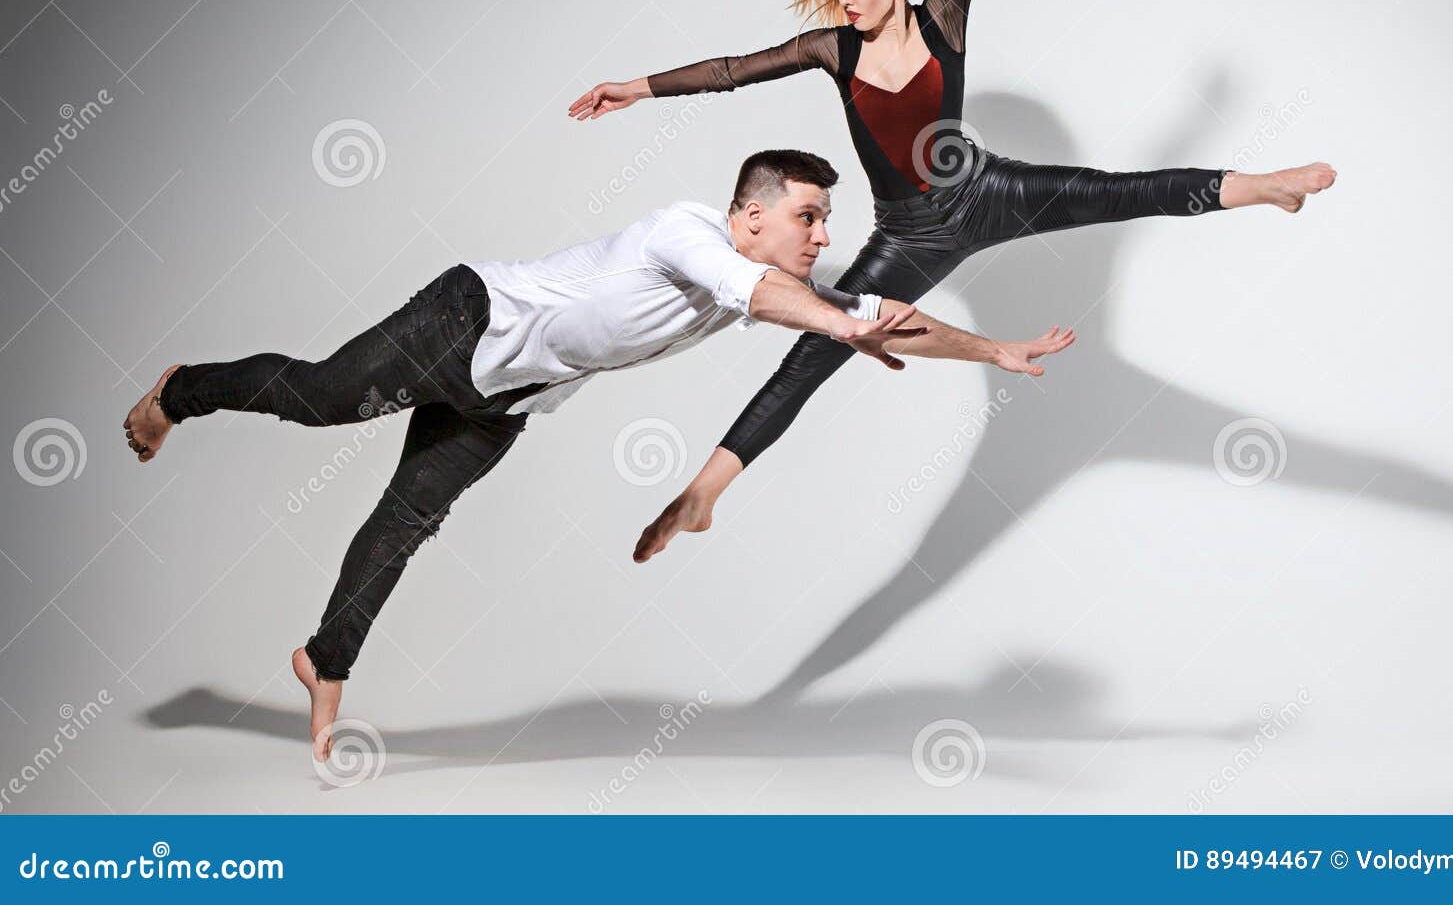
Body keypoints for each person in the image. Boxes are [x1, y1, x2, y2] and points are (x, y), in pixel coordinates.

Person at [569, 0, 1337, 563]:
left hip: (988, 193)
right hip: (908, 238)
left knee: (1126, 190)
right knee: (811, 356)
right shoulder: (834, 50)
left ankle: (1268, 186)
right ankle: (701, 494)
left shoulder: (946, 15)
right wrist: (638, 87)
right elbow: (734, 69)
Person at [121, 149, 1072, 759]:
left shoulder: (783, 280)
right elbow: (800, 309)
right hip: (467, 320)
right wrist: (836, 321)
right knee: (327, 398)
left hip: (510, 395)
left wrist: (994, 350)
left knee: (411, 518)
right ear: (750, 215)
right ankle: (179, 389)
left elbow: (884, 316)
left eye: (826, 223)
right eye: (809, 218)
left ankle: (324, 660)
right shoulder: (687, 232)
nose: (824, 236)